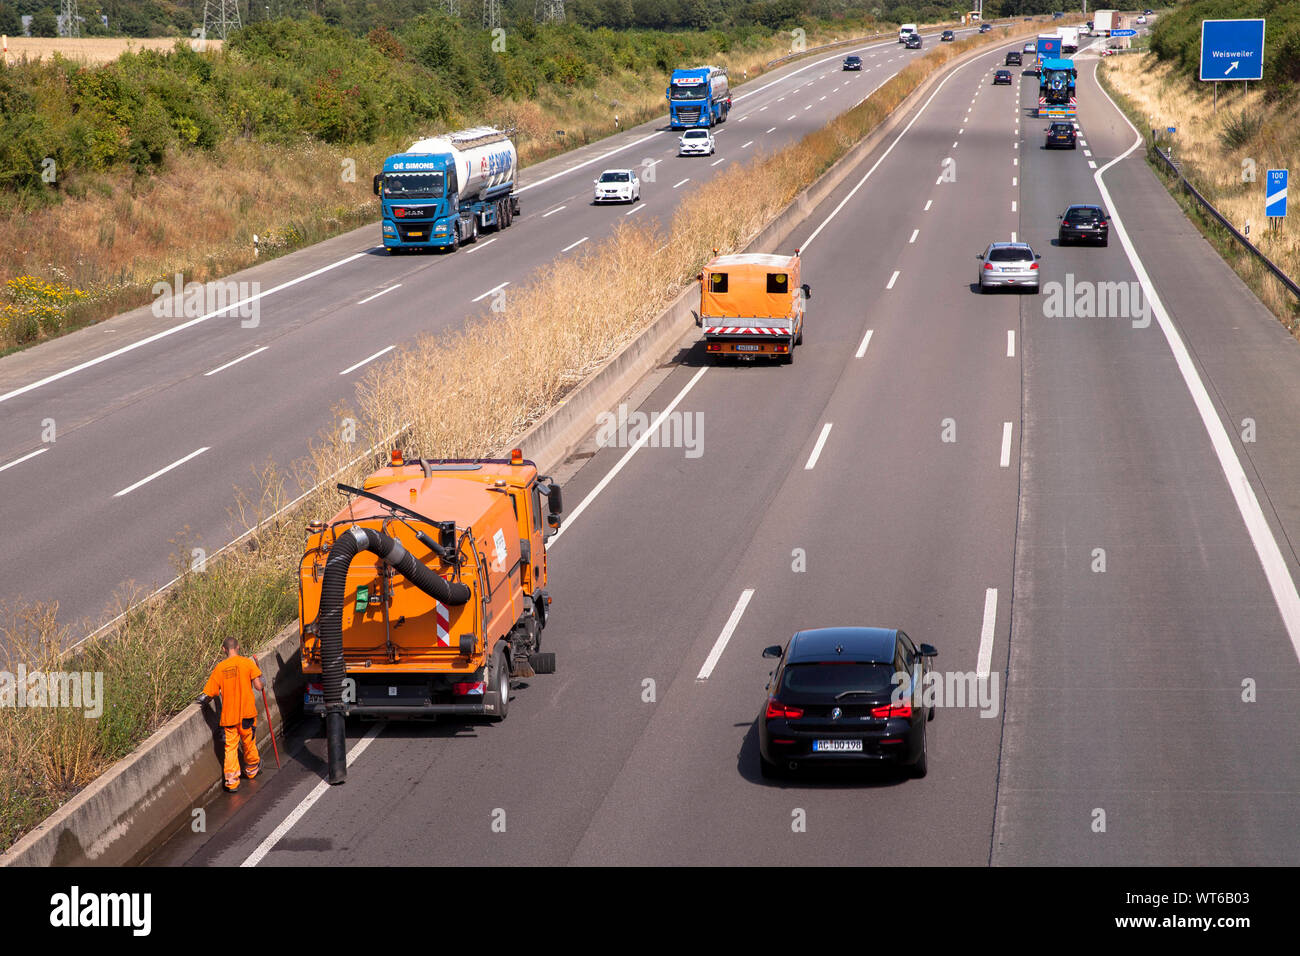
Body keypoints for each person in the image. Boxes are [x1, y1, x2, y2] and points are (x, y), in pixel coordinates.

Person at [197, 637, 263, 792]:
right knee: (249, 743)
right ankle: (252, 769)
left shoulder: (220, 668)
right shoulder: (248, 663)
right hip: (247, 714)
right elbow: (259, 686)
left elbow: (209, 693)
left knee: (230, 748)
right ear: (238, 647)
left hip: (229, 717)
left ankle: (232, 782)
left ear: (224, 649)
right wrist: (260, 672)